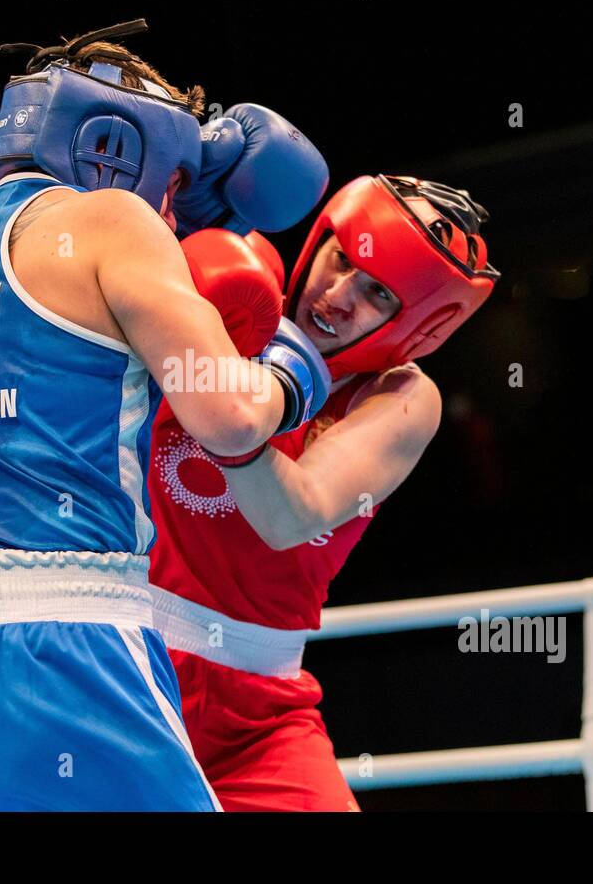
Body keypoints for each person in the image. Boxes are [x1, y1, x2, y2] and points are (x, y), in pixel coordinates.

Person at [0, 20, 330, 810]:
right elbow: (232, 420)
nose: (175, 207)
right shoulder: (116, 221)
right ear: (116, 147)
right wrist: (293, 371)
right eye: (175, 180)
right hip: (56, 642)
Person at [147, 174, 499, 810]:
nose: (336, 297)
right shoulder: (223, 300)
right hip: (122, 664)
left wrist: (235, 400)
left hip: (258, 715)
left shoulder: (400, 399)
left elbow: (291, 515)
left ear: (417, 322)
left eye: (376, 292)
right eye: (342, 261)